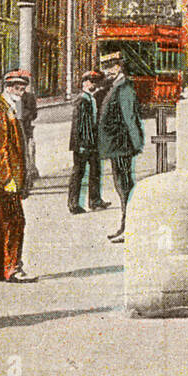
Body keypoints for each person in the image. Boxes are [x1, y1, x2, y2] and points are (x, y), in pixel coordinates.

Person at [0, 70, 37, 283]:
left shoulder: (9, 107)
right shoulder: (1, 110)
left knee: (3, 222)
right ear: (8, 87)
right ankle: (12, 268)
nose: (21, 92)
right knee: (14, 222)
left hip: (10, 177)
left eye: (23, 88)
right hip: (8, 179)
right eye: (18, 88)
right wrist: (8, 179)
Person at [97, 52, 144, 243]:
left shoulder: (124, 88)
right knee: (122, 187)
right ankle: (125, 227)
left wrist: (136, 143)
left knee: (125, 188)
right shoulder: (116, 86)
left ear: (118, 68)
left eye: (109, 67)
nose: (106, 72)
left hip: (122, 146)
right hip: (117, 147)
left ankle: (129, 228)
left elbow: (130, 119)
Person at [67, 71, 111, 214]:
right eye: (91, 82)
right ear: (84, 83)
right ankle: (73, 204)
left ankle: (95, 200)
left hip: (92, 142)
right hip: (83, 144)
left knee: (95, 171)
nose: (94, 85)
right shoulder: (81, 100)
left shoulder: (91, 99)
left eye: (95, 82)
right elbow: (78, 126)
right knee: (78, 173)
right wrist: (81, 144)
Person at [17, 71, 40, 188]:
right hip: (19, 129)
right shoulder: (15, 98)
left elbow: (34, 114)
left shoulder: (29, 97)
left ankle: (28, 178)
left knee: (27, 153)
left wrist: (26, 115)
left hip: (26, 129)